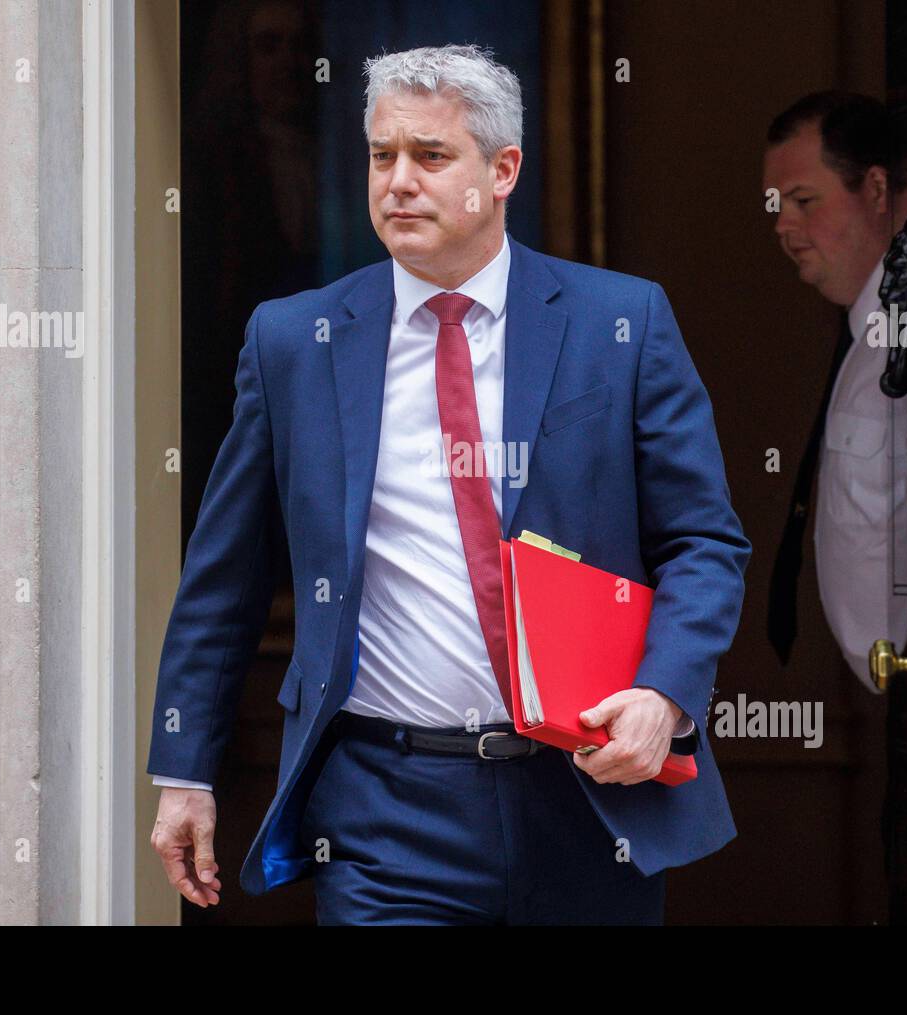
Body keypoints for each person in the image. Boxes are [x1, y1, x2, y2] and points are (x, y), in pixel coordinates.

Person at [147, 43, 750, 925]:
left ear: (502, 170)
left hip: (585, 796)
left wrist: (665, 694)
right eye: (382, 155)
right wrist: (184, 769)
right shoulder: (294, 343)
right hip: (385, 810)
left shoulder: (620, 322)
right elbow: (223, 578)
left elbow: (704, 540)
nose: (398, 181)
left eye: (431, 157)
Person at [761, 91, 907, 693]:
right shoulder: (864, 332)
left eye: (804, 201)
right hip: (898, 691)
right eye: (778, 204)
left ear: (876, 190)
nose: (783, 225)